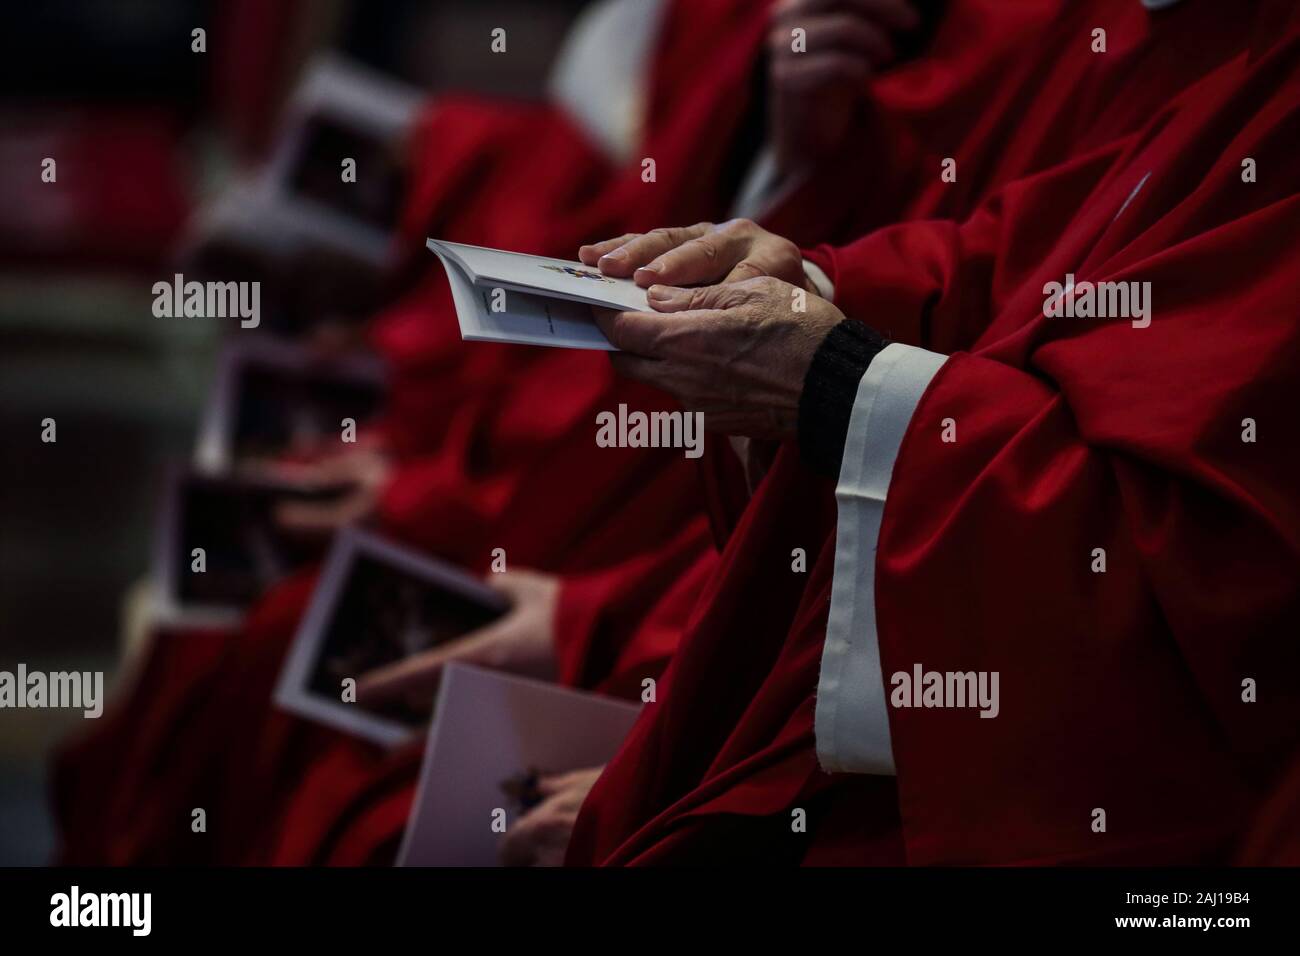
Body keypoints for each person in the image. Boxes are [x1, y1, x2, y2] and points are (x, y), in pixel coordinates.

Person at [566, 1, 1300, 864]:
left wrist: (834, 382)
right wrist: (798, 273)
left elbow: (1211, 571)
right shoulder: (1200, 38)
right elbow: (1011, 260)